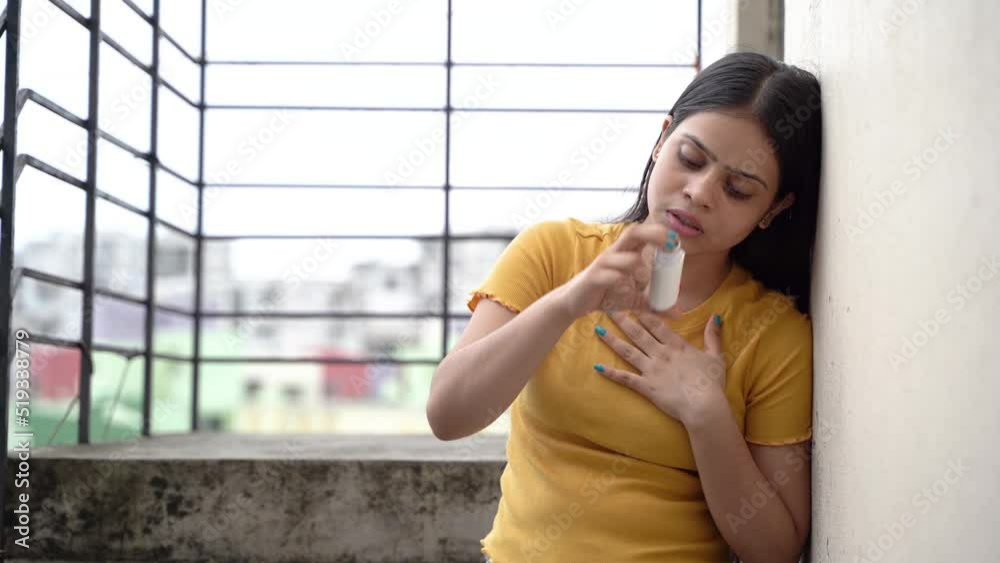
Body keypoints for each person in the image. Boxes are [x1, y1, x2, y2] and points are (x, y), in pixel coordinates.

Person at [427, 51, 822, 563]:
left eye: (738, 189)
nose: (699, 193)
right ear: (661, 141)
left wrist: (707, 414)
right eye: (691, 159)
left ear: (773, 209)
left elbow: (774, 549)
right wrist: (568, 302)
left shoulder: (773, 333)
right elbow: (448, 415)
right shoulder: (555, 252)